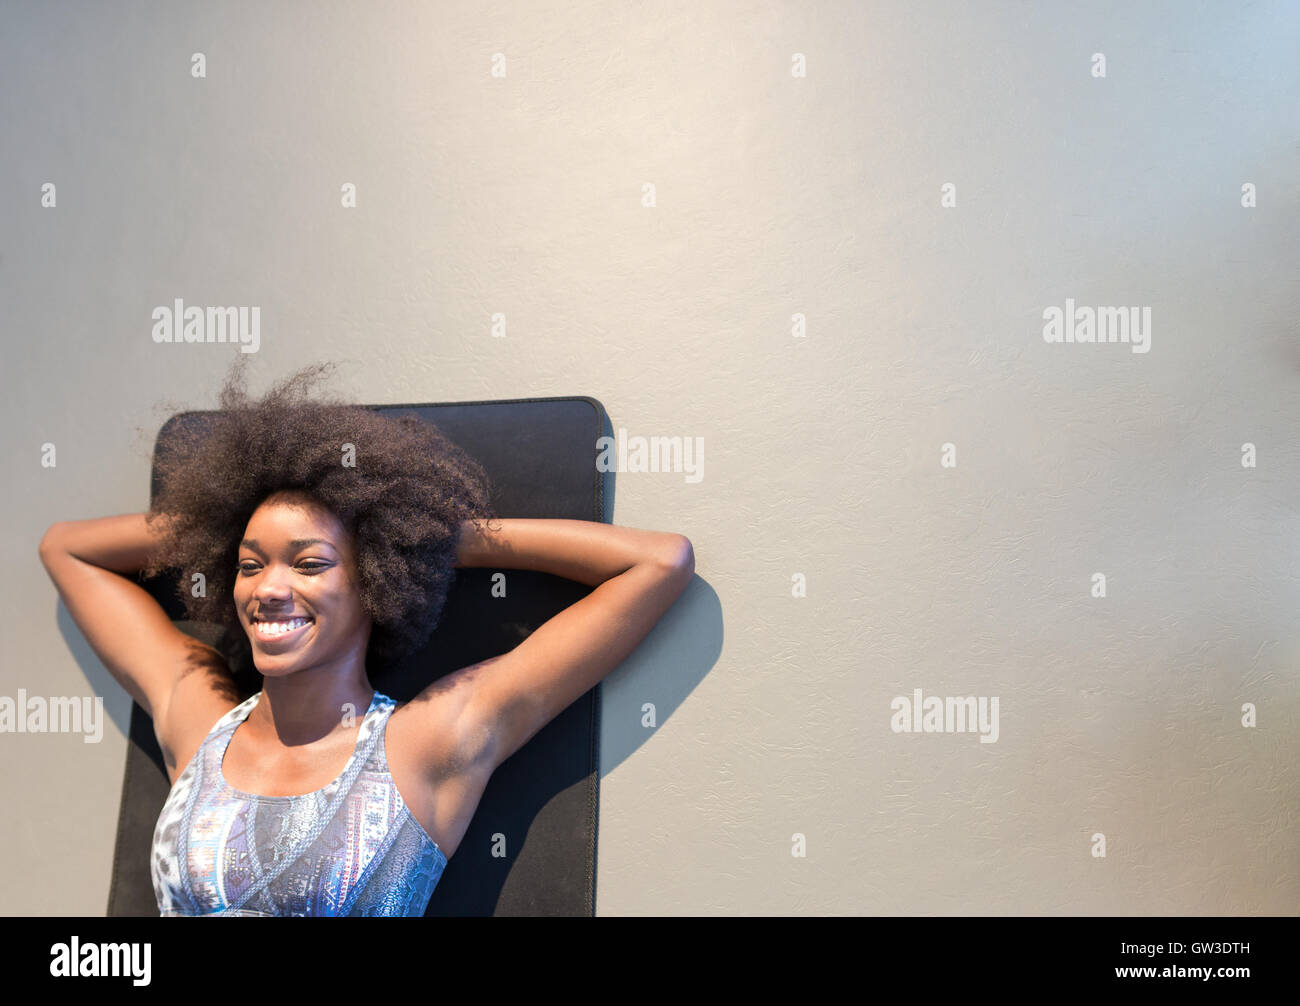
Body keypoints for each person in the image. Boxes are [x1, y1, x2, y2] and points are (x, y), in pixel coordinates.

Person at [37, 361, 694, 916]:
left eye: (309, 563)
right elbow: (67, 550)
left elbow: (657, 565)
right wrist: (227, 520)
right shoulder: (195, 714)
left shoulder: (427, 744)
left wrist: (429, 540)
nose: (267, 587)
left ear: (375, 581)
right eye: (249, 563)